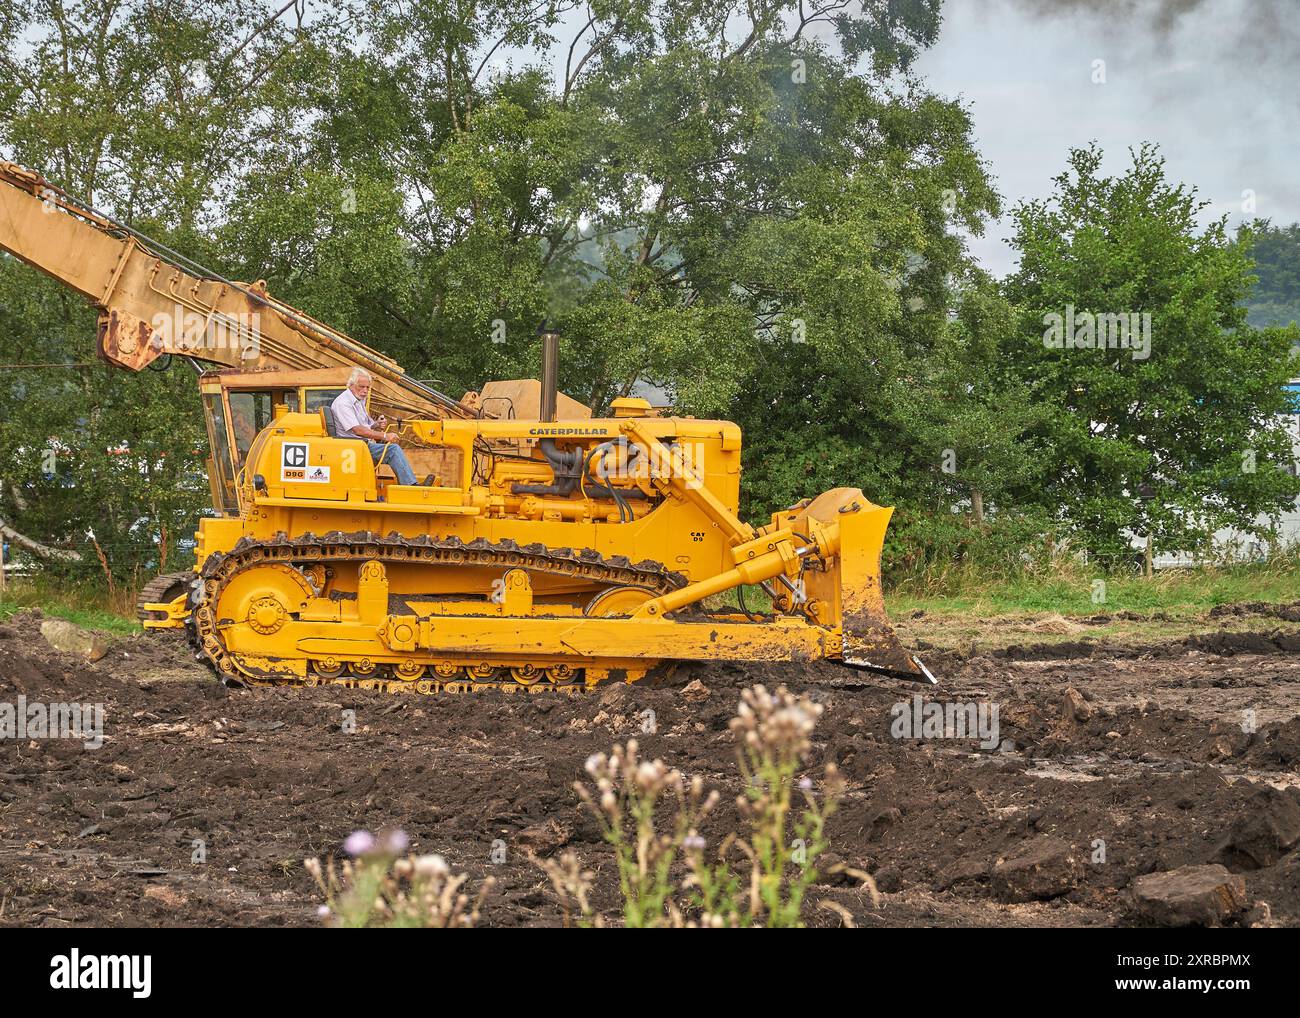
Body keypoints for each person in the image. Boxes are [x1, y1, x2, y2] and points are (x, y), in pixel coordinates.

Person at [330, 368, 423, 486]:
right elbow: (357, 430)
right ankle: (410, 485)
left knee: (391, 449)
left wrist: (376, 424)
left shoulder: (358, 400)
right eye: (361, 387)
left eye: (367, 387)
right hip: (355, 447)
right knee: (393, 450)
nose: (365, 391)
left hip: (361, 444)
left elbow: (364, 425)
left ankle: (408, 482)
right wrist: (384, 435)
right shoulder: (343, 403)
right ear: (351, 385)